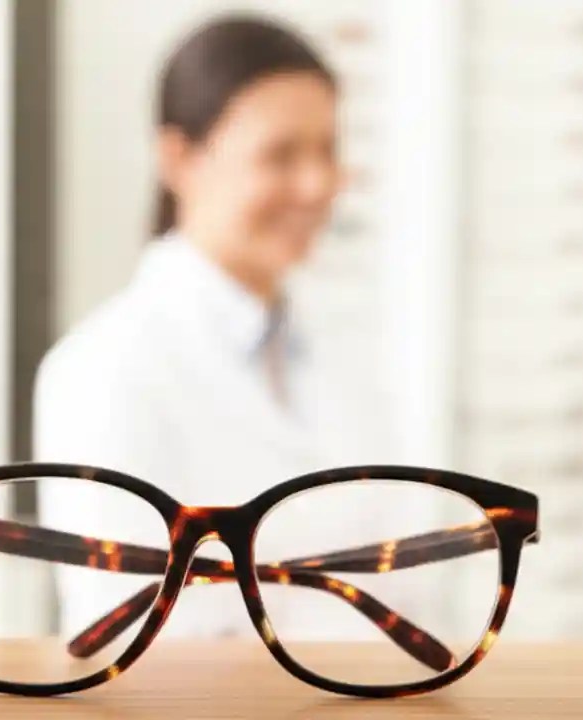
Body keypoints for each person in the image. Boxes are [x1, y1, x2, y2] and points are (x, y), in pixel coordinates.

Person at [33, 17, 394, 640]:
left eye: (327, 151)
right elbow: (123, 634)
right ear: (179, 158)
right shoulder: (100, 369)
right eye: (280, 155)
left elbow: (410, 590)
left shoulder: (348, 352)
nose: (317, 185)